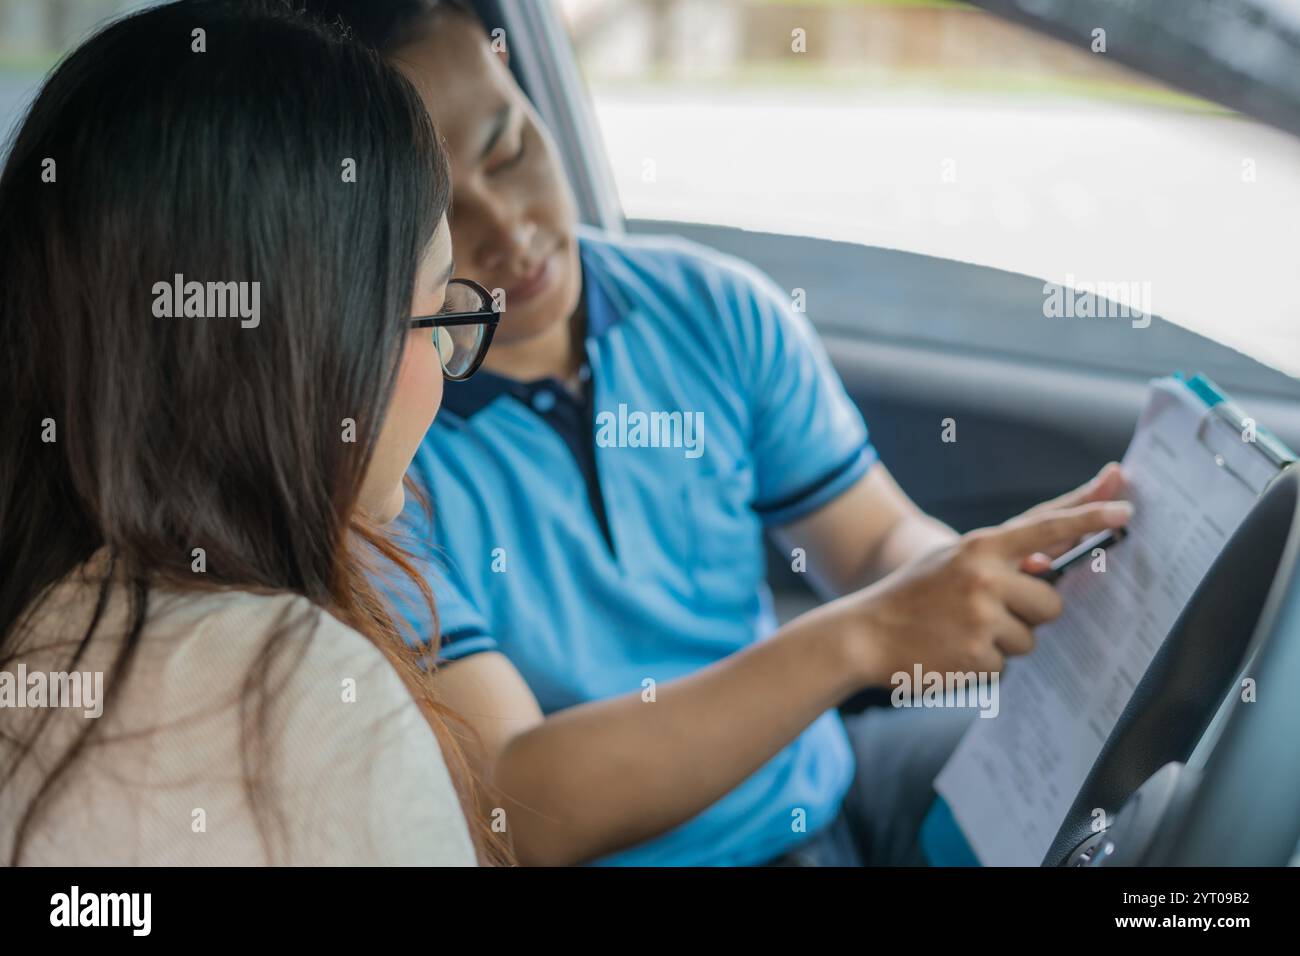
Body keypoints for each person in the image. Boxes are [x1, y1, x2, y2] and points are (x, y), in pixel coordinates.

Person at [302, 0, 1133, 866]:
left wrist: (975, 583)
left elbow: (877, 538)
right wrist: (862, 638)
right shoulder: (383, 454)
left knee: (1127, 801)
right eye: (446, 213)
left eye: (509, 150)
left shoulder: (712, 309)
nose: (510, 230)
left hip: (826, 788)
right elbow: (515, 797)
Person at [0, 0, 506, 866]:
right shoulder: (308, 703)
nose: (454, 362)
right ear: (313, 353)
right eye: (435, 311)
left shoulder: (41, 622)